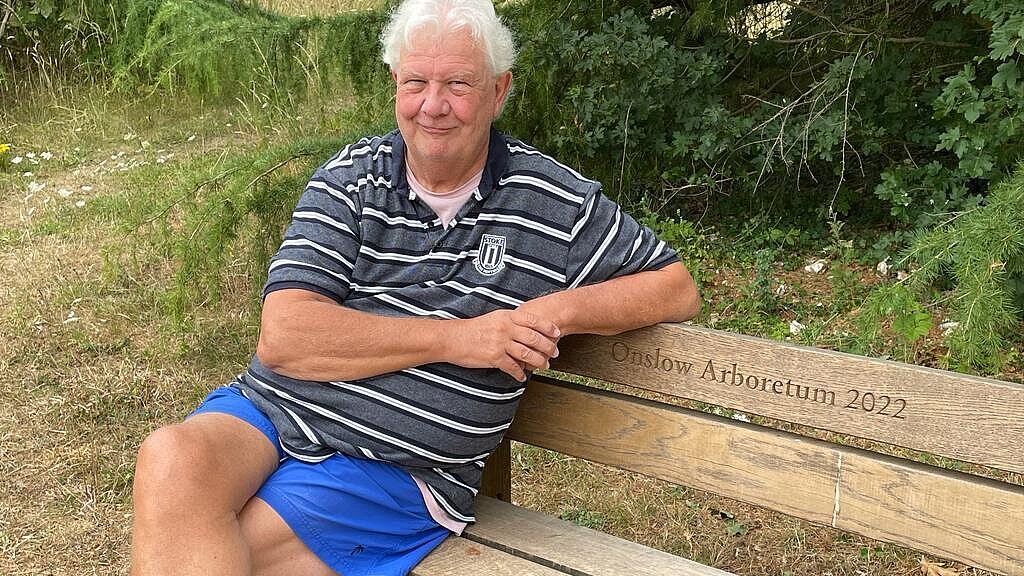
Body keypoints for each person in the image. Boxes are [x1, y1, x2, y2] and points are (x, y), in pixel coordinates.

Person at [129, 0, 700, 574]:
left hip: (393, 466)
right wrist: (460, 338)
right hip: (273, 408)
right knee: (171, 457)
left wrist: (553, 310)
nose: (433, 105)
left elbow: (675, 288)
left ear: (498, 91)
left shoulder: (553, 201)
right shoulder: (350, 179)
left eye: (458, 84)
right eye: (416, 82)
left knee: (212, 549)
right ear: (395, 84)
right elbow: (285, 338)